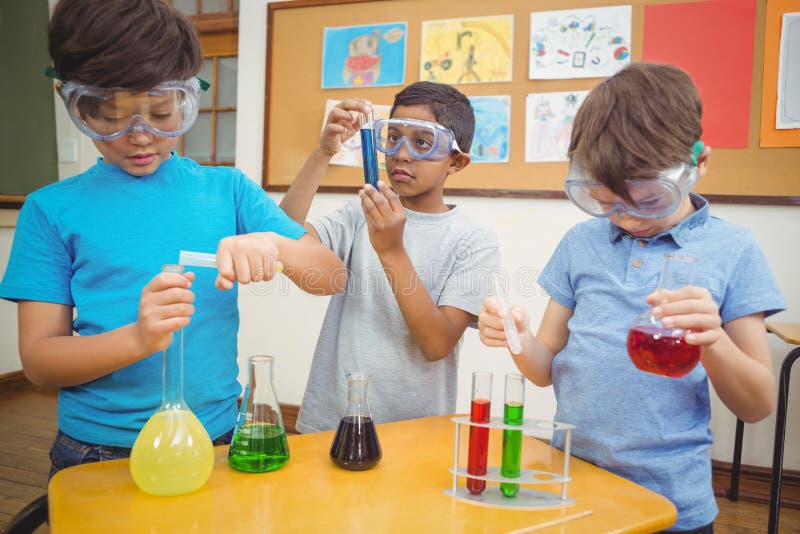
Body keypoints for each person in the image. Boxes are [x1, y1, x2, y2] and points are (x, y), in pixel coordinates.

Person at [0, 0, 345, 476]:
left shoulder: (228, 189)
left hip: (219, 436)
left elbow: (330, 275)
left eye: (162, 114)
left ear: (187, 98)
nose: (140, 136)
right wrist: (139, 338)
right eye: (109, 116)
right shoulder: (49, 210)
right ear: (71, 100)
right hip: (101, 449)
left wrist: (277, 246)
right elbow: (39, 362)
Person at [478, 62, 785, 532]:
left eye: (648, 201)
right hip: (573, 487)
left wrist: (714, 341)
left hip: (671, 503)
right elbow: (542, 370)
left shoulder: (733, 250)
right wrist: (516, 337)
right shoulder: (582, 243)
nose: (626, 219)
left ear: (698, 164)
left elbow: (757, 404)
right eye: (606, 203)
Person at [280, 81, 501, 433]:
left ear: (456, 162)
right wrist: (323, 151)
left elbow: (436, 344)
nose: (401, 153)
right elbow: (285, 235)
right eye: (392, 136)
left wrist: (391, 250)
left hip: (411, 433)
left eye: (422, 143)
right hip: (331, 421)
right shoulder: (359, 214)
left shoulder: (474, 242)